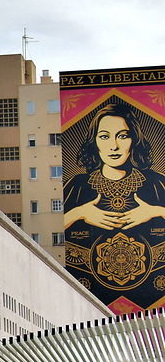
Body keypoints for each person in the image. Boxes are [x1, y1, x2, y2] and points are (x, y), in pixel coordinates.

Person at [62, 101, 165, 309]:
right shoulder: (78, 185)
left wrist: (155, 211)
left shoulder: (156, 182)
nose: (114, 146)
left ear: (134, 140)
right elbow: (50, 234)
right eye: (105, 136)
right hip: (90, 302)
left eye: (123, 135)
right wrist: (80, 213)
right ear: (95, 142)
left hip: (153, 299)